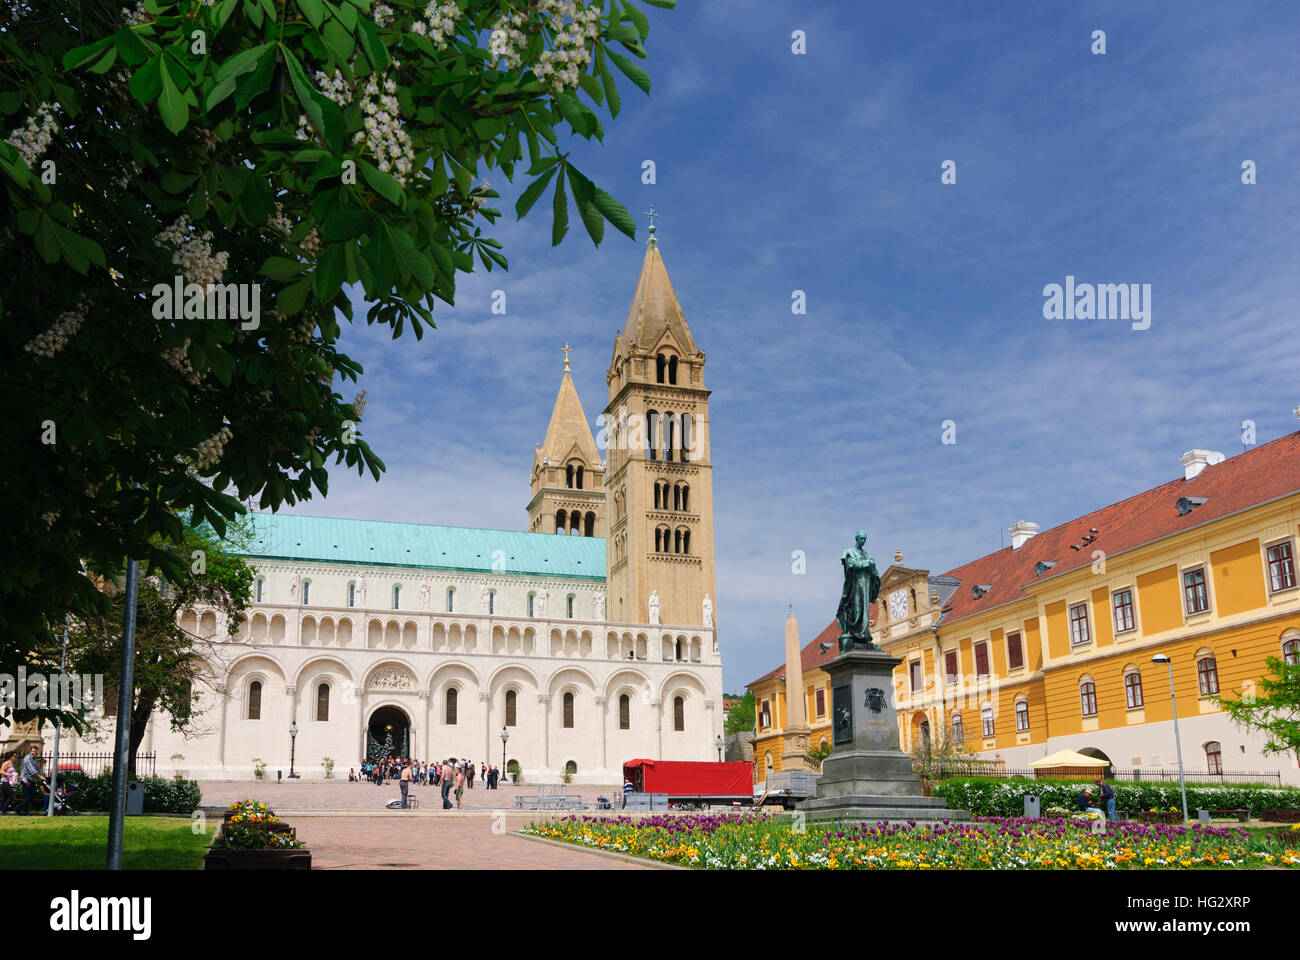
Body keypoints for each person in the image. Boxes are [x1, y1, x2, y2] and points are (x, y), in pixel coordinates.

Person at [17, 746, 45, 815]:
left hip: (31, 780)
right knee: (27, 796)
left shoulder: (34, 758)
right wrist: (40, 776)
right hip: (26, 780)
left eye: (35, 751)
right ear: (30, 751)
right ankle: (24, 811)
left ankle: (18, 808)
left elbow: (37, 768)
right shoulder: (27, 758)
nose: (34, 753)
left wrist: (42, 775)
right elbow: (32, 769)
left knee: (33, 796)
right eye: (33, 751)